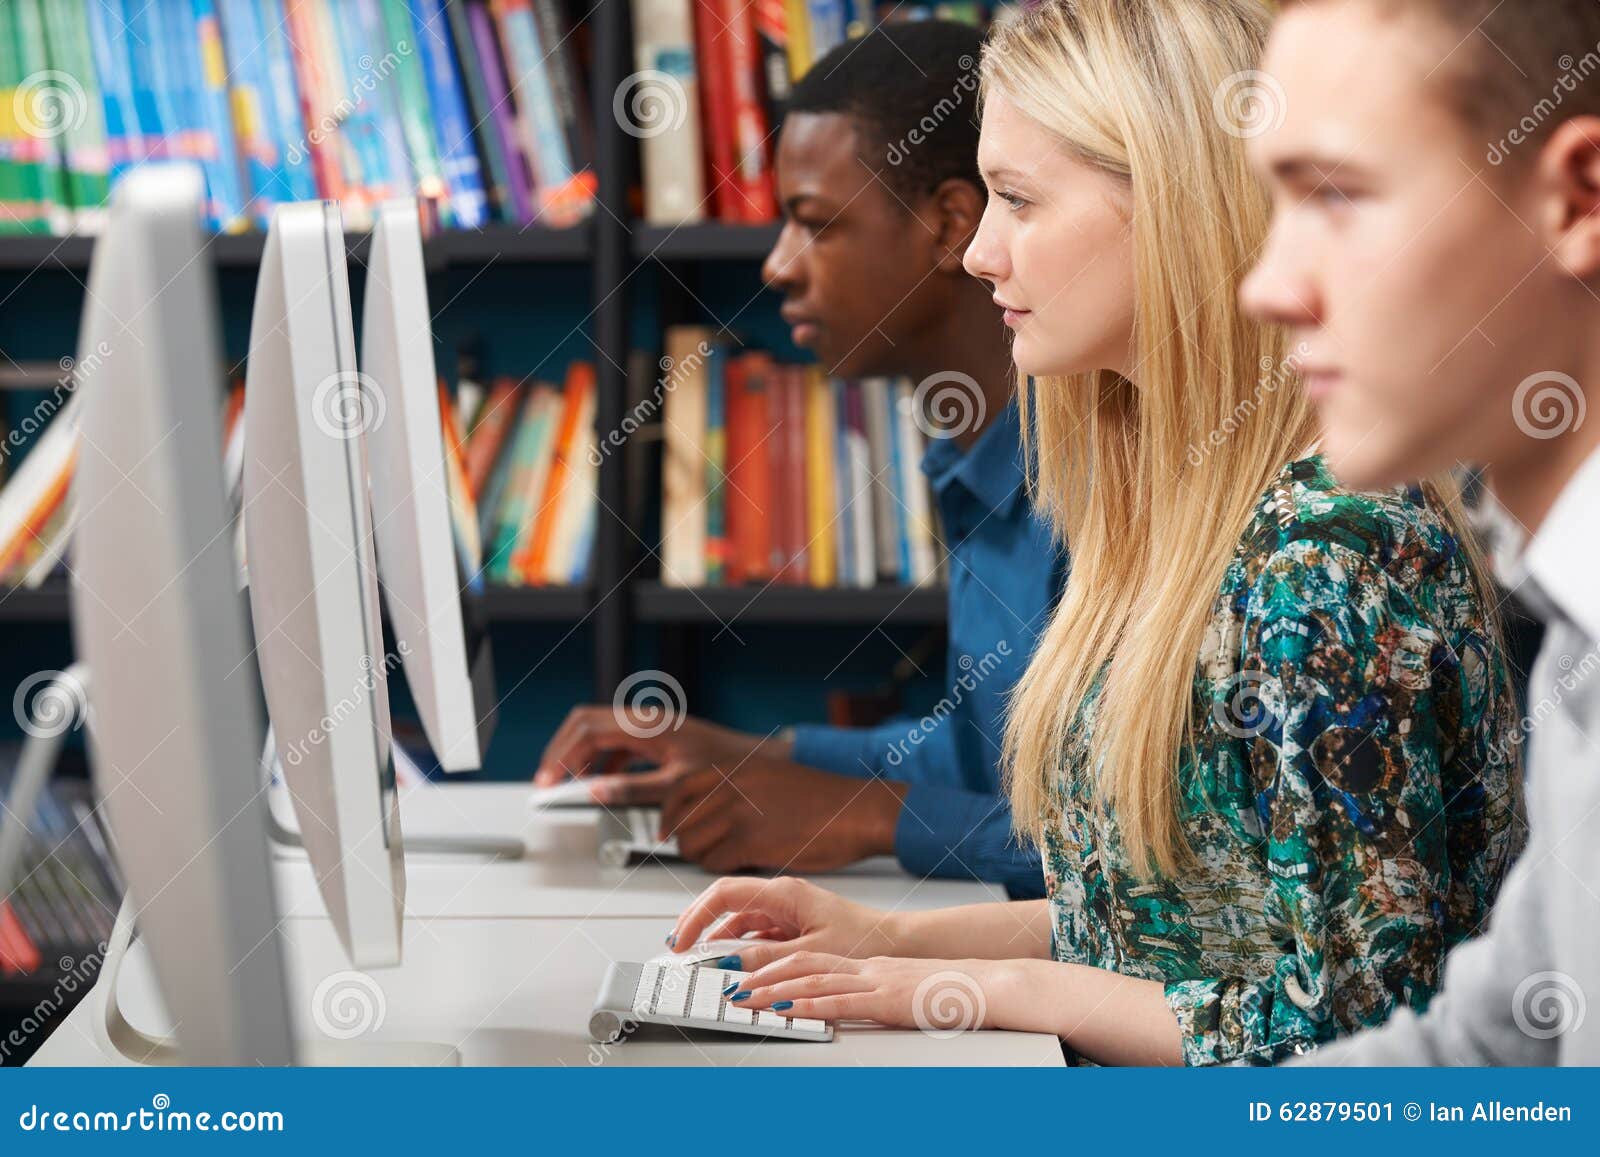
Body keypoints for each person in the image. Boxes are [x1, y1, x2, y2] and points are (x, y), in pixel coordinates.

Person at [664, 0, 1523, 1067]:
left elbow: (1349, 1029)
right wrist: (891, 940)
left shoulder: (1325, 557)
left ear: (1177, 208)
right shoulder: (1156, 518)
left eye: (1017, 201)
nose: (978, 253)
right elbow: (1166, 932)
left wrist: (981, 990)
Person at [535, 21, 1066, 896]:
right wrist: (752, 753)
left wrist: (860, 814)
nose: (777, 266)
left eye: (813, 224)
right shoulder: (967, 455)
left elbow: (1129, 859)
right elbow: (981, 756)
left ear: (948, 227)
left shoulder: (1091, 483)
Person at [1241, 0, 1600, 1065]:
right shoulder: (1569, 619)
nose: (1266, 285)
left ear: (1579, 198)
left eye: (1337, 194)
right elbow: (1489, 1053)